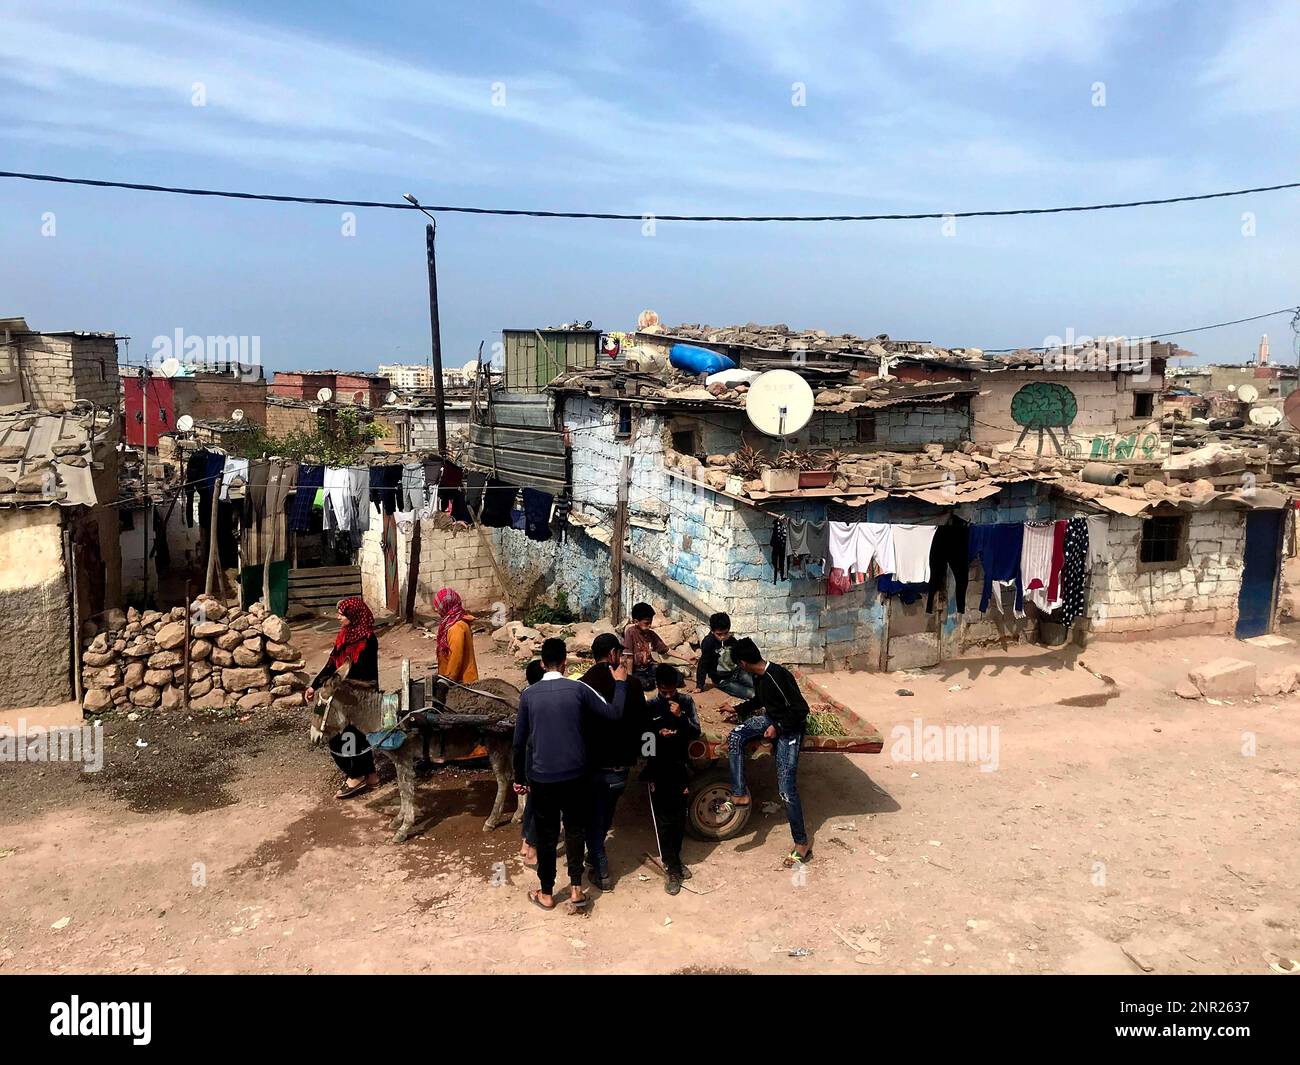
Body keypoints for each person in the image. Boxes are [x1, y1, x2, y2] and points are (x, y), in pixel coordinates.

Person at [513, 638, 627, 911]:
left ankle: (547, 893)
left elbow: (519, 742)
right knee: (575, 829)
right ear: (565, 663)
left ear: (542, 664)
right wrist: (621, 683)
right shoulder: (579, 689)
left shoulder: (528, 695)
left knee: (548, 834)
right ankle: (576, 889)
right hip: (577, 775)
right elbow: (614, 714)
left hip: (542, 777)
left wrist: (519, 778)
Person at [722, 638, 812, 866]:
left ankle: (801, 843)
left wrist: (778, 728)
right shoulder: (758, 676)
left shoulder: (778, 676)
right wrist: (736, 709)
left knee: (786, 789)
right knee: (735, 736)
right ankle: (740, 793)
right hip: (772, 719)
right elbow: (759, 700)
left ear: (742, 663)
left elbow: (801, 710)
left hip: (790, 729)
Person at [579, 633, 649, 890]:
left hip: (590, 767)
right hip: (619, 768)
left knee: (593, 817)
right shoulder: (633, 685)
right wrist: (648, 757)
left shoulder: (582, 685)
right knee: (605, 814)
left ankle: (601, 868)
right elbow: (645, 726)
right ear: (612, 655)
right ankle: (596, 856)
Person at [305, 596, 381, 800]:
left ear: (353, 615)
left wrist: (337, 688)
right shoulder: (345, 636)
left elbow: (360, 673)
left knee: (344, 736)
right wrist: (314, 685)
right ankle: (371, 775)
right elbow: (332, 663)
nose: (338, 617)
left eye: (342, 614)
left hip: (360, 695)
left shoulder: (367, 640)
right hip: (342, 690)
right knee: (356, 735)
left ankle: (355, 775)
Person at [643, 665, 701, 895]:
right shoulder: (650, 706)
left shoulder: (685, 703)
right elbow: (645, 743)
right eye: (664, 692)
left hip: (680, 769)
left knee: (679, 820)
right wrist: (658, 735)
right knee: (664, 822)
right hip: (659, 770)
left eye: (671, 692)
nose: (669, 696)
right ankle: (671, 869)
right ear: (658, 687)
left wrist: (681, 718)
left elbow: (696, 731)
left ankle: (675, 860)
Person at [694, 612, 756, 714]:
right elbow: (703, 664)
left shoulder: (731, 640)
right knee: (751, 693)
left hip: (737, 673)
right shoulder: (708, 642)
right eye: (719, 634)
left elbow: (740, 655)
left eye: (725, 633)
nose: (722, 637)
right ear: (712, 631)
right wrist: (699, 685)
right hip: (723, 680)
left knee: (758, 685)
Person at [624, 602, 695, 691]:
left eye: (650, 622)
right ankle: (658, 682)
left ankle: (661, 680)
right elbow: (629, 658)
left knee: (678, 678)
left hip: (650, 667)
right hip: (636, 671)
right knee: (645, 684)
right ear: (636, 622)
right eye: (646, 623)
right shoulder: (630, 633)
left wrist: (685, 657)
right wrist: (630, 678)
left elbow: (666, 650)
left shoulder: (651, 634)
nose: (649, 625)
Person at [517, 659, 546, 869]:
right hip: (539, 756)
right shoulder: (540, 698)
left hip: (528, 755)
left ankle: (525, 842)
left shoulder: (527, 695)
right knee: (542, 805)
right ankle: (532, 848)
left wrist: (519, 774)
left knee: (533, 800)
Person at [433, 586, 478, 683]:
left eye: (438, 606)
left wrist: (447, 680)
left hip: (462, 683)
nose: (436, 610)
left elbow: (456, 658)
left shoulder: (456, 628)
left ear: (446, 606)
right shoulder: (456, 622)